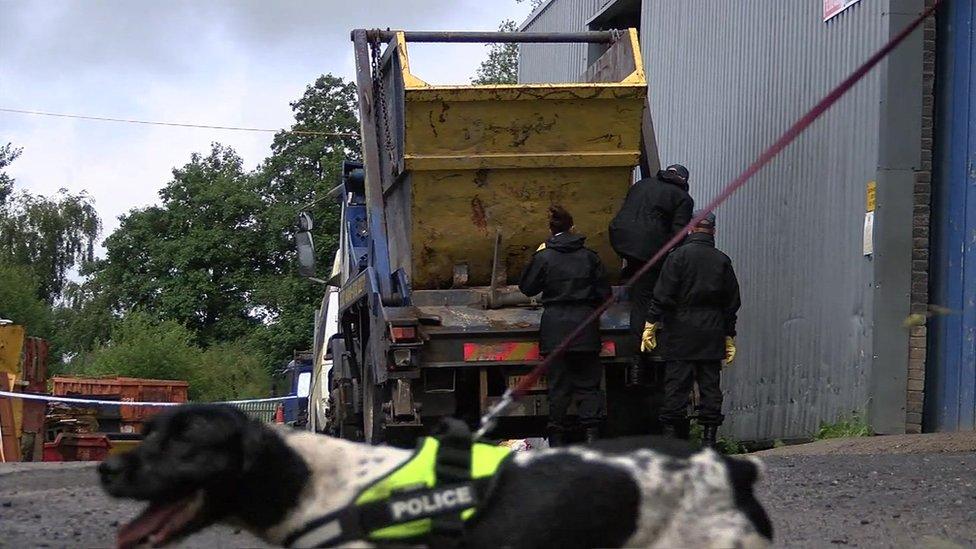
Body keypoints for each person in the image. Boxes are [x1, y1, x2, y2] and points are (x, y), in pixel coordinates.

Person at [642, 211, 740, 448]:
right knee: (710, 386)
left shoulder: (677, 257)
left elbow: (663, 294)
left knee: (677, 385)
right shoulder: (722, 260)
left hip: (680, 330)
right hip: (711, 331)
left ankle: (671, 440)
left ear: (691, 229)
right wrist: (729, 334)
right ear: (713, 231)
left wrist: (651, 324)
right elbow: (732, 301)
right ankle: (709, 439)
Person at [519, 206, 612, 446]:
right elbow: (605, 293)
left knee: (558, 385)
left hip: (555, 329)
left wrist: (537, 258)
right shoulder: (590, 257)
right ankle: (592, 436)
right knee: (589, 385)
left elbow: (528, 288)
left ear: (551, 230)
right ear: (573, 228)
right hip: (585, 327)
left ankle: (557, 439)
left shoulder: (544, 257)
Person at [609, 164, 694, 384]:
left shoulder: (641, 184)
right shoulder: (683, 199)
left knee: (638, 266)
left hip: (619, 237)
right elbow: (679, 235)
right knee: (643, 300)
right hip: (646, 248)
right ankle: (638, 359)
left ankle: (630, 271)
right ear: (684, 181)